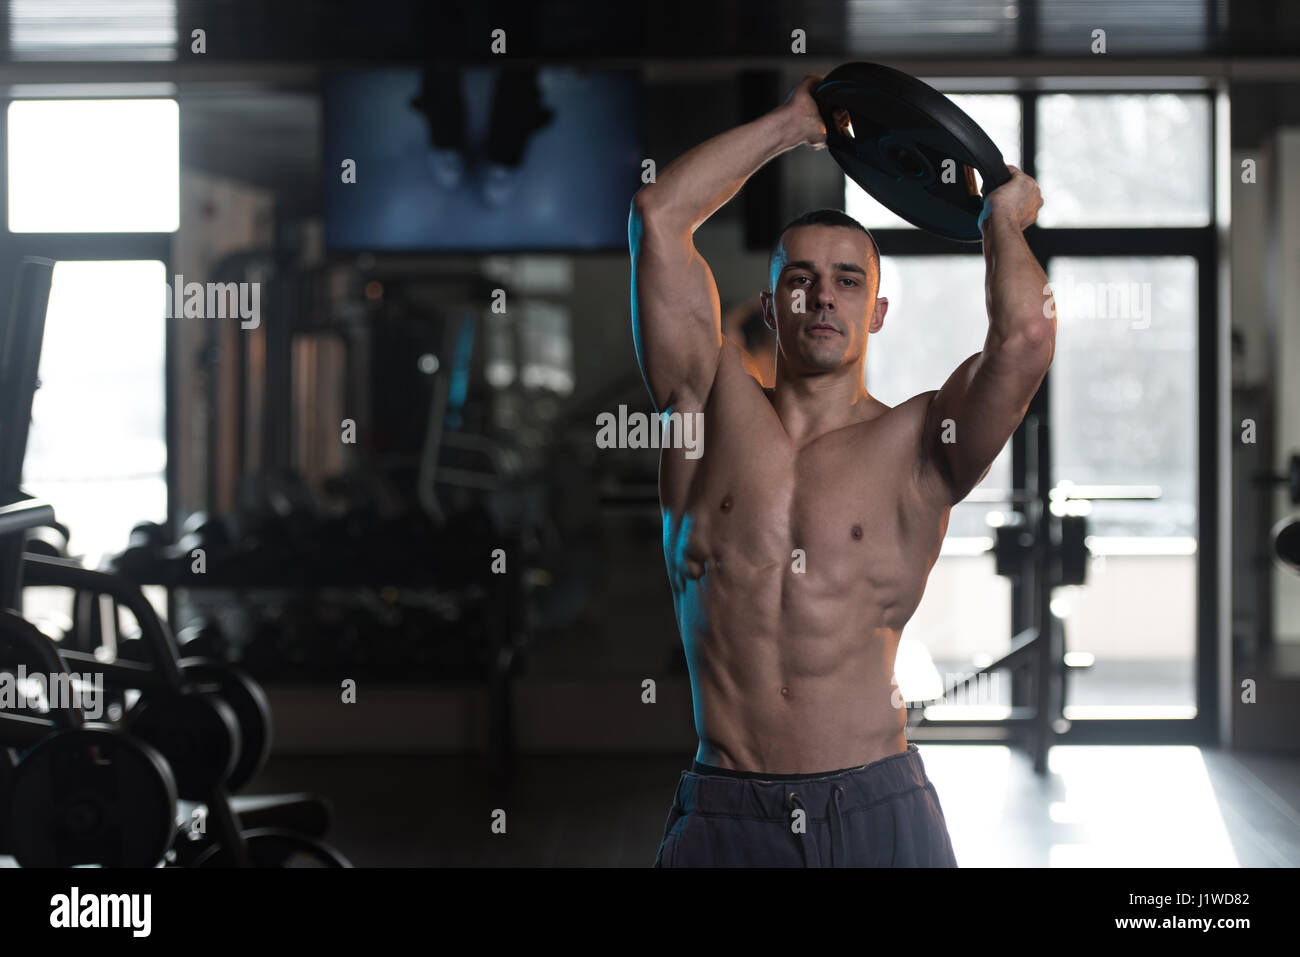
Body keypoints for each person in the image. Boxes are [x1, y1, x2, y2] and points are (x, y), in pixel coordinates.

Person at [628, 74, 1055, 866]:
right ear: (771, 303)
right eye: (801, 277)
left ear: (877, 312)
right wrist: (794, 124)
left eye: (848, 279)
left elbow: (1026, 335)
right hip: (727, 808)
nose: (823, 295)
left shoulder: (924, 442)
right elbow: (660, 216)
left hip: (876, 805)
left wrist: (1002, 217)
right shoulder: (703, 404)